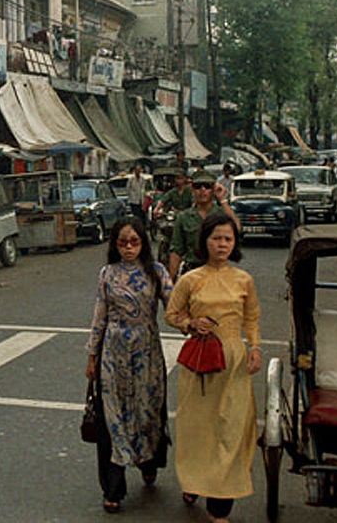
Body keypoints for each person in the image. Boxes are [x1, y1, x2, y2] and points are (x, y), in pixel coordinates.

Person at [165, 212, 262, 523]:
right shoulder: (190, 279)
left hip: (233, 360)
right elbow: (172, 314)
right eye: (217, 238)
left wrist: (255, 348)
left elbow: (252, 319)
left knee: (231, 426)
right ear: (205, 241)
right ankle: (195, 480)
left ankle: (220, 501)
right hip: (200, 362)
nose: (222, 244)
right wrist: (190, 323)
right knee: (198, 427)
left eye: (228, 239)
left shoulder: (244, 280)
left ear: (235, 244)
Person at [84, 217, 174, 514]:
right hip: (113, 353)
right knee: (112, 418)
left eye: (134, 242)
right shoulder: (107, 274)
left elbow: (175, 308)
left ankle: (149, 462)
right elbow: (100, 314)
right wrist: (92, 356)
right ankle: (113, 489)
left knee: (148, 411)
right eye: (122, 242)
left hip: (147, 352)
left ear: (143, 243)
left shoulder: (157, 271)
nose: (128, 248)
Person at [168, 170, 240, 278]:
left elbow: (237, 229)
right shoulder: (184, 217)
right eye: (198, 186)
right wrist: (170, 281)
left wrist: (222, 200)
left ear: (213, 189)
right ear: (192, 189)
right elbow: (176, 251)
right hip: (192, 272)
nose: (203, 190)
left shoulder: (221, 213)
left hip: (218, 271)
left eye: (207, 186)